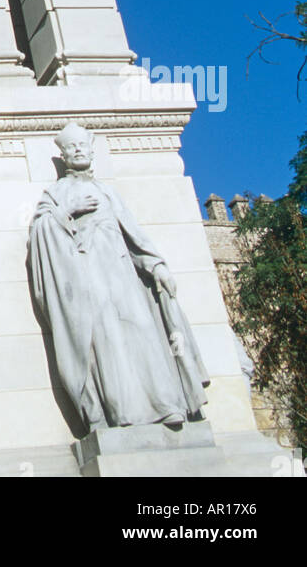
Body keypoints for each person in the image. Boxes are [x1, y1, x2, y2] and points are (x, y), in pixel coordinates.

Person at [29, 122, 210, 433]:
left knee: (144, 331)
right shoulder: (56, 193)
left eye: (83, 146)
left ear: (91, 150)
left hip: (123, 274)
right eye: (72, 148)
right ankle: (123, 412)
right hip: (88, 278)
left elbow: (133, 235)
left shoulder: (106, 190)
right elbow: (40, 233)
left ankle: (166, 404)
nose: (78, 151)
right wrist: (66, 211)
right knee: (107, 342)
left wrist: (156, 266)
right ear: (63, 156)